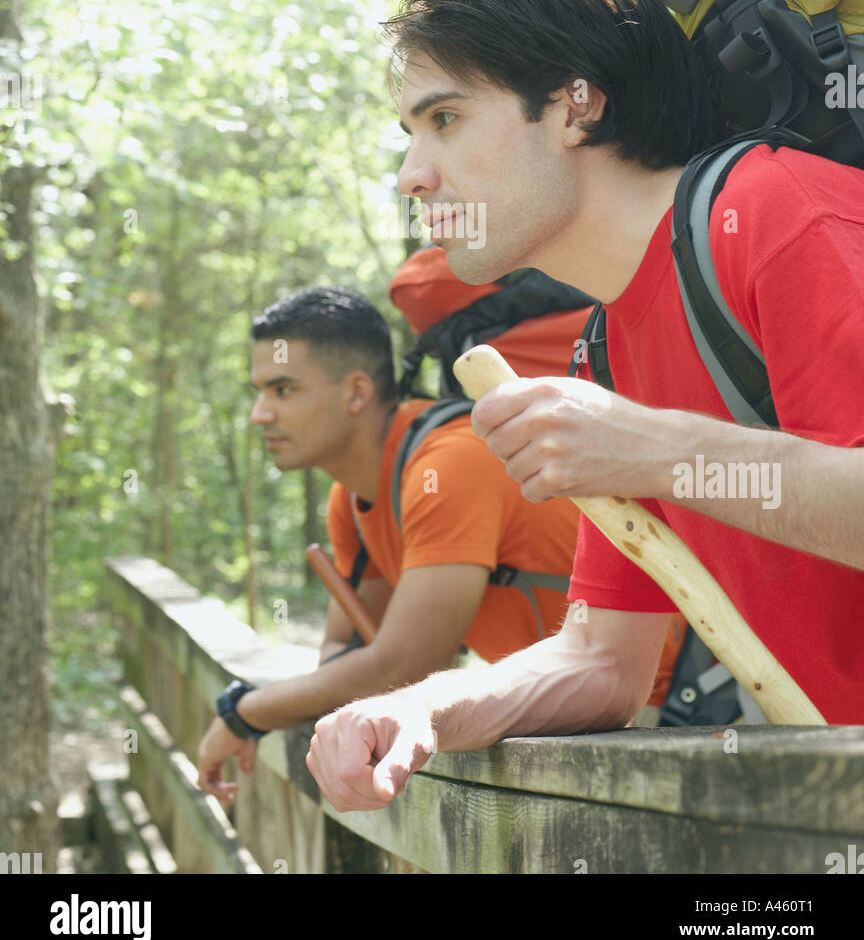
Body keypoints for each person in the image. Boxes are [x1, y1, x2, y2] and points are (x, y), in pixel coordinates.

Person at [306, 0, 864, 814]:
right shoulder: (607, 345)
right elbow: (603, 662)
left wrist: (657, 452)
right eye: (410, 135)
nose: (413, 176)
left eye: (444, 119)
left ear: (577, 107)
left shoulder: (777, 216)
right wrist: (420, 707)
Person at [197, 284, 630, 803]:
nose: (259, 415)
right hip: (564, 716)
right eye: (259, 392)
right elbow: (349, 656)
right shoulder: (353, 499)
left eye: (282, 390)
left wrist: (245, 712)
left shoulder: (446, 466)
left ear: (356, 393)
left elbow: (400, 665)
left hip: (652, 708)